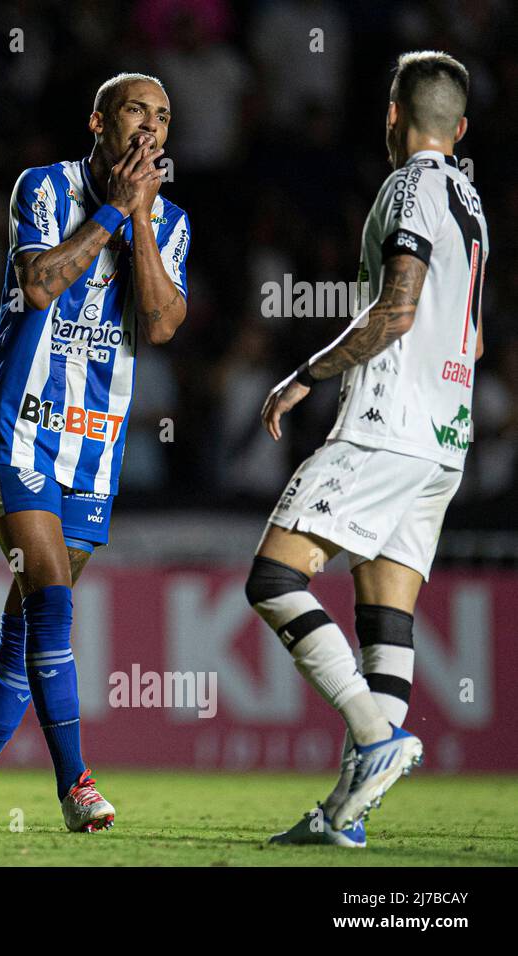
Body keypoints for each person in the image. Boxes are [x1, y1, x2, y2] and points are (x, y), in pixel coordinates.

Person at [0, 73, 190, 832]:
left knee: (26, 627)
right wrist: (113, 208)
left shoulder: (171, 221)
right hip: (17, 428)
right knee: (51, 598)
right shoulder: (43, 187)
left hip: (94, 443)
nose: (151, 126)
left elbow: (163, 321)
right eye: (137, 110)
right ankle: (76, 783)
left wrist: (140, 221)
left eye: (164, 116)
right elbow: (40, 284)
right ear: (99, 120)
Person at [249, 51, 486, 846]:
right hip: (446, 439)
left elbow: (399, 308)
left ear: (393, 115)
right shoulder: (474, 205)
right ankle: (343, 818)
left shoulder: (410, 185)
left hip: (389, 425)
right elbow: (474, 338)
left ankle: (378, 737)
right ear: (460, 128)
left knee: (275, 577)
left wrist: (306, 374)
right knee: (385, 624)